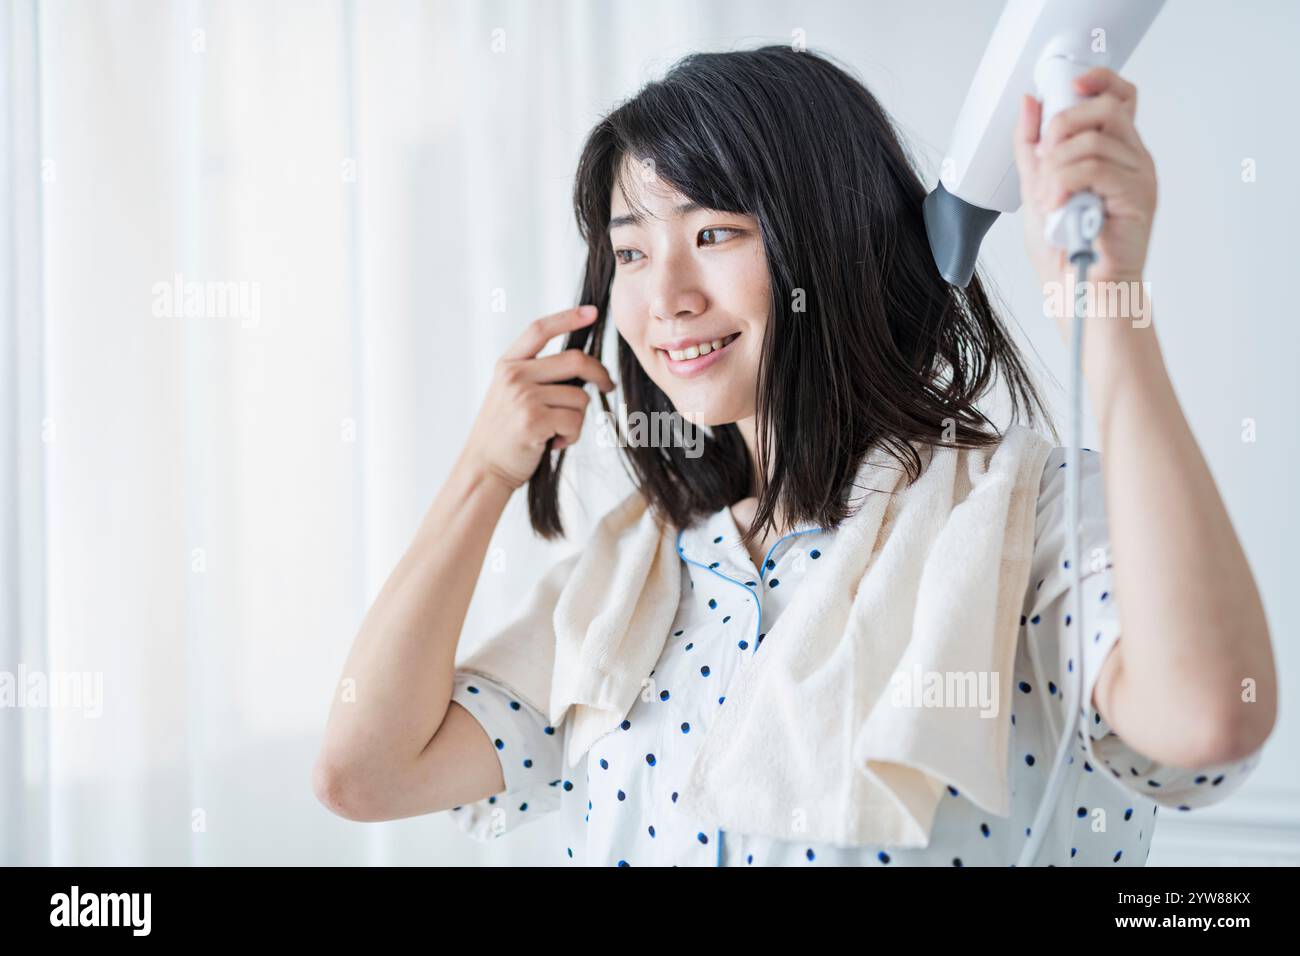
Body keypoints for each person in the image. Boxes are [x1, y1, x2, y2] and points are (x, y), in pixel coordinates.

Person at [312, 45, 1276, 866]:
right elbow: (367, 772)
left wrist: (1105, 304)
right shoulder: (627, 583)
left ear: (836, 244)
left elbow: (1206, 725)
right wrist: (482, 475)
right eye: (633, 251)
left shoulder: (1028, 521)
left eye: (715, 232)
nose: (664, 297)